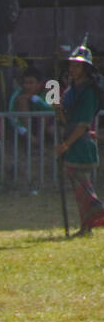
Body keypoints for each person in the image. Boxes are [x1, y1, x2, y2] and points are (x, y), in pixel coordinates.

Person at [56, 44, 104, 237]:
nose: (72, 69)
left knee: (83, 187)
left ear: (85, 68)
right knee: (79, 189)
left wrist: (65, 145)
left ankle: (95, 215)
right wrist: (58, 108)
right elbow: (67, 120)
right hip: (71, 140)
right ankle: (86, 227)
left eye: (77, 65)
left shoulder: (89, 92)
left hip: (80, 143)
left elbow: (83, 124)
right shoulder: (72, 90)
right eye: (71, 65)